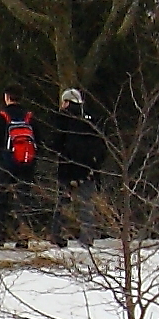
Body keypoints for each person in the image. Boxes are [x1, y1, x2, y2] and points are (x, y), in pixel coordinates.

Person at [53, 88, 106, 247]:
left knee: (63, 203)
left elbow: (56, 143)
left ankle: (57, 236)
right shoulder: (92, 119)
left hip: (68, 169)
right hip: (89, 169)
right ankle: (87, 239)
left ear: (67, 102)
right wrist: (95, 167)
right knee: (86, 205)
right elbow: (102, 146)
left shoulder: (63, 119)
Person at [0, 90, 41, 246]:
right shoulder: (29, 117)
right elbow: (40, 140)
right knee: (24, 200)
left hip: (5, 163)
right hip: (26, 164)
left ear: (6, 97)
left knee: (0, 199)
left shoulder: (0, 116)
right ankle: (23, 237)